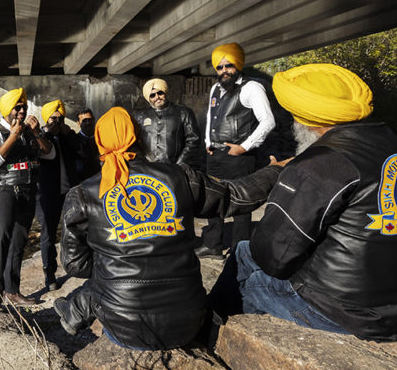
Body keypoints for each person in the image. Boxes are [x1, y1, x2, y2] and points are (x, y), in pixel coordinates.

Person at [209, 63, 397, 342]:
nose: (294, 124)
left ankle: (211, 331)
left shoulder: (321, 164)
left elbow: (274, 257)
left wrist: (287, 177)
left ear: (309, 121)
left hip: (337, 311)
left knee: (247, 279)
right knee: (243, 251)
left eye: (294, 117)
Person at [52, 107, 284, 350]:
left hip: (125, 330)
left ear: (99, 144)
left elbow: (75, 265)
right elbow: (237, 197)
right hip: (189, 321)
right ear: (140, 137)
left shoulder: (81, 195)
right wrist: (276, 170)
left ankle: (76, 309)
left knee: (110, 264)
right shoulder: (180, 176)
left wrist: (117, 253)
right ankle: (76, 308)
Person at [199, 43, 276, 258]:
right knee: (212, 199)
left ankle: (237, 251)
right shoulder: (216, 88)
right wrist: (207, 141)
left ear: (238, 65)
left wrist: (244, 147)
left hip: (238, 157)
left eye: (229, 65)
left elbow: (268, 121)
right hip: (215, 155)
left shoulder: (252, 88)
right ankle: (212, 245)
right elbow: (210, 117)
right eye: (220, 67)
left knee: (241, 204)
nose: (224, 71)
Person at [0, 88, 54, 307]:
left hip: (28, 189)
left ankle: (12, 291)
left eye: (24, 107)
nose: (22, 111)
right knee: (2, 234)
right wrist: (14, 135)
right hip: (6, 188)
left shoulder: (29, 131)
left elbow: (50, 153)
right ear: (7, 110)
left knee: (19, 239)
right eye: (17, 107)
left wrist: (36, 134)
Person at [35, 99, 81, 291]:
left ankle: (78, 264)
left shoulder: (67, 136)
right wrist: (43, 134)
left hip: (68, 192)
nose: (57, 122)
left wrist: (66, 133)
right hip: (46, 193)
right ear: (46, 119)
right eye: (53, 118)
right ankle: (50, 274)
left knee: (75, 229)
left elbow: (80, 150)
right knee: (48, 234)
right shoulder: (40, 138)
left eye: (60, 118)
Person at [133, 77, 203, 169]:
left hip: (175, 167)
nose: (157, 97)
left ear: (165, 92)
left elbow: (194, 139)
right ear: (148, 99)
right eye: (152, 95)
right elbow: (132, 141)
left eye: (160, 93)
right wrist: (142, 162)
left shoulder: (183, 112)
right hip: (148, 168)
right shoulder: (140, 116)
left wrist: (180, 163)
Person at [71, 108, 100, 182]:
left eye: (90, 120)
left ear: (94, 120)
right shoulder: (74, 140)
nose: (88, 123)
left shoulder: (101, 138)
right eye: (84, 121)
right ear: (78, 123)